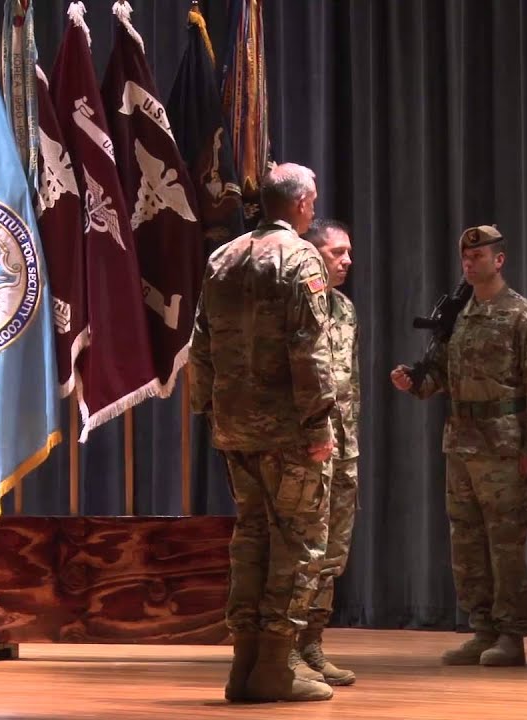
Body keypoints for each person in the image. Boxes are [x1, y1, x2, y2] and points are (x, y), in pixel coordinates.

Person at [189, 162, 336, 703]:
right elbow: (310, 347)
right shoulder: (301, 259)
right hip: (289, 431)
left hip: (236, 428)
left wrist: (210, 409)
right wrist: (319, 422)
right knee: (298, 542)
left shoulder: (221, 258)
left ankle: (243, 664)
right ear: (297, 205)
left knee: (250, 537)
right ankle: (275, 665)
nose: (315, 208)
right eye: (312, 199)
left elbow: (200, 345)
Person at [390, 225, 527, 666]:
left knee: (505, 544)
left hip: (503, 445)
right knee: (465, 541)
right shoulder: (458, 315)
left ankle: (511, 635)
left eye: (479, 256)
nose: (470, 262)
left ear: (498, 260)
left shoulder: (524, 316)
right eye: (466, 257)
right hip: (461, 443)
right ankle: (481, 628)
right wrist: (416, 382)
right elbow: (443, 375)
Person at [297, 219, 360, 687]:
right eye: (337, 252)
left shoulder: (345, 309)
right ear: (312, 254)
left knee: (334, 551)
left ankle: (313, 645)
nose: (346, 261)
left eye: (348, 252)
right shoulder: (295, 305)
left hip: (343, 446)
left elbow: (349, 385)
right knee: (303, 549)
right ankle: (286, 648)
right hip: (306, 449)